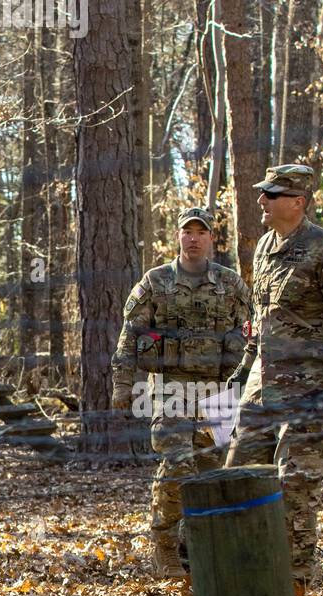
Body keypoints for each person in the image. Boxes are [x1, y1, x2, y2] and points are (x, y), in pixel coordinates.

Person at [225, 164, 323, 596]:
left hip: (314, 393)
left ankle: (295, 586)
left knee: (295, 489)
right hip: (262, 390)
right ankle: (247, 576)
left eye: (271, 195)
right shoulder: (266, 246)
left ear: (298, 202)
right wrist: (241, 373)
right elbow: (260, 320)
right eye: (263, 193)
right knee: (240, 479)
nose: (261, 201)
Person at [112, 207, 251, 577]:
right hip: (171, 388)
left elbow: (252, 339)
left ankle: (196, 547)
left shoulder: (231, 284)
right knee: (177, 463)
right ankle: (165, 545)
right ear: (178, 236)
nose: (193, 238)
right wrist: (123, 384)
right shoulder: (155, 282)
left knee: (210, 469)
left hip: (218, 391)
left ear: (211, 239)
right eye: (186, 231)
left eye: (200, 232)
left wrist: (251, 388)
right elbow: (130, 336)